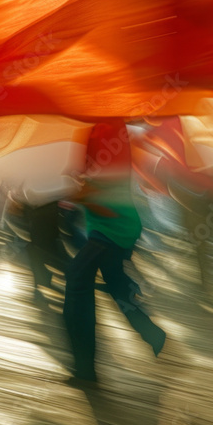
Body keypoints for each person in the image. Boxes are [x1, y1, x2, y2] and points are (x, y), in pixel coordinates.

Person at [62, 121, 166, 387]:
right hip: (106, 226)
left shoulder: (108, 127)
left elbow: (105, 185)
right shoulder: (93, 127)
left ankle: (85, 371)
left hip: (114, 226)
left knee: (77, 280)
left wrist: (75, 191)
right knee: (115, 282)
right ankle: (153, 334)